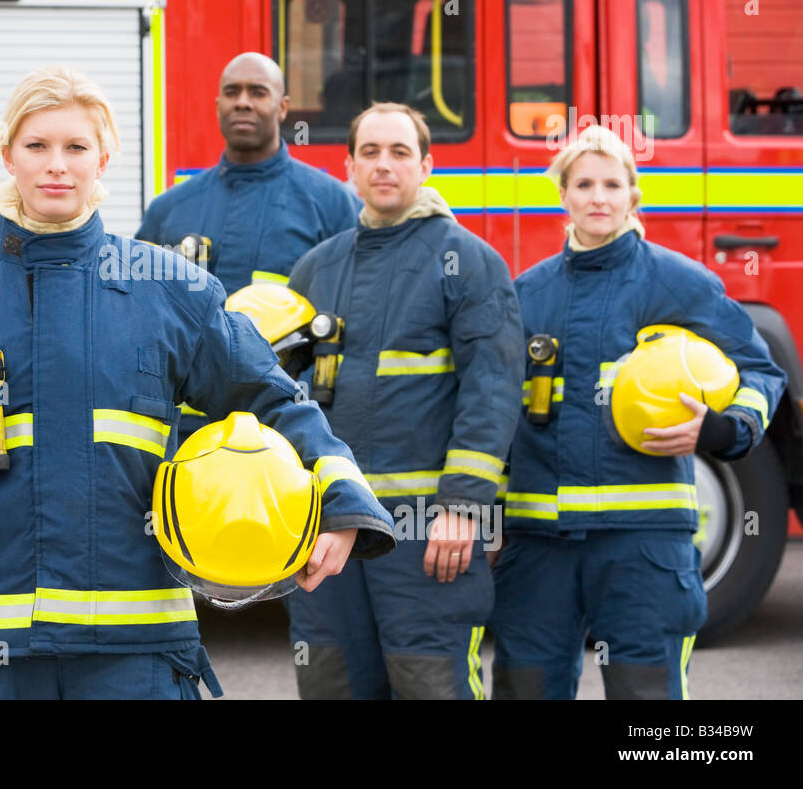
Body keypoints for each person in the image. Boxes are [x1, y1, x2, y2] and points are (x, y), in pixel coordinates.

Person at [0, 67, 397, 700]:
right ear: (6, 156)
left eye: (76, 147)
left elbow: (273, 396)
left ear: (104, 158)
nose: (57, 166)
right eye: (37, 146)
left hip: (135, 656)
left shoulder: (170, 292)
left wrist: (343, 498)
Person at [489, 125, 786, 699]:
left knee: (646, 698)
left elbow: (762, 371)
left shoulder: (677, 282)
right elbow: (498, 412)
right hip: (537, 545)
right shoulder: (527, 294)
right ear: (563, 196)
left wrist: (724, 429)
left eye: (612, 184)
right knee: (525, 688)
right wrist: (491, 519)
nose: (598, 197)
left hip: (644, 544)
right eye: (584, 184)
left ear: (633, 197)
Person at [283, 102, 524, 699]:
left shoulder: (468, 262)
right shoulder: (317, 268)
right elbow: (282, 398)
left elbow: (491, 392)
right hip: (330, 526)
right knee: (332, 684)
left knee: (430, 686)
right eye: (370, 152)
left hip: (426, 534)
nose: (383, 165)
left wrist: (464, 506)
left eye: (399, 153)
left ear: (427, 166)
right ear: (349, 166)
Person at [135, 52, 360, 441]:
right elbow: (138, 318)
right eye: (232, 92)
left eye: (258, 92)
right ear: (218, 104)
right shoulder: (169, 209)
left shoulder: (331, 203)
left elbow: (353, 317)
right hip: (189, 429)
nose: (243, 101)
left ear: (283, 107)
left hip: (285, 424)